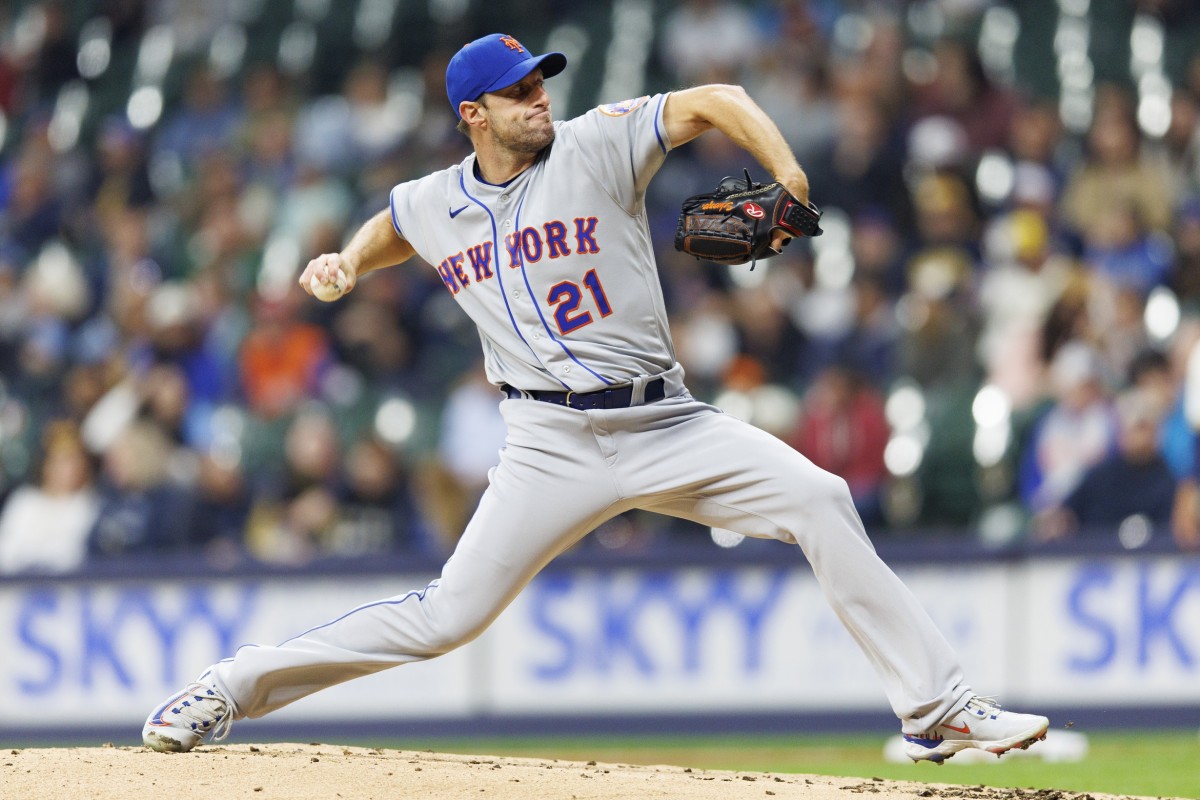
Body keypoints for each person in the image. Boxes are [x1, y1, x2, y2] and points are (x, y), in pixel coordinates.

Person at [143, 32, 1049, 764]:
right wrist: (345, 258)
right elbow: (395, 223)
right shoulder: (435, 201)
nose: (540, 98)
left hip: (666, 421)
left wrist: (792, 177)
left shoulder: (596, 142)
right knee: (445, 619)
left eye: (541, 82)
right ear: (474, 115)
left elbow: (717, 101)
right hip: (547, 445)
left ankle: (935, 709)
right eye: (519, 92)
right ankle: (234, 686)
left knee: (819, 498)